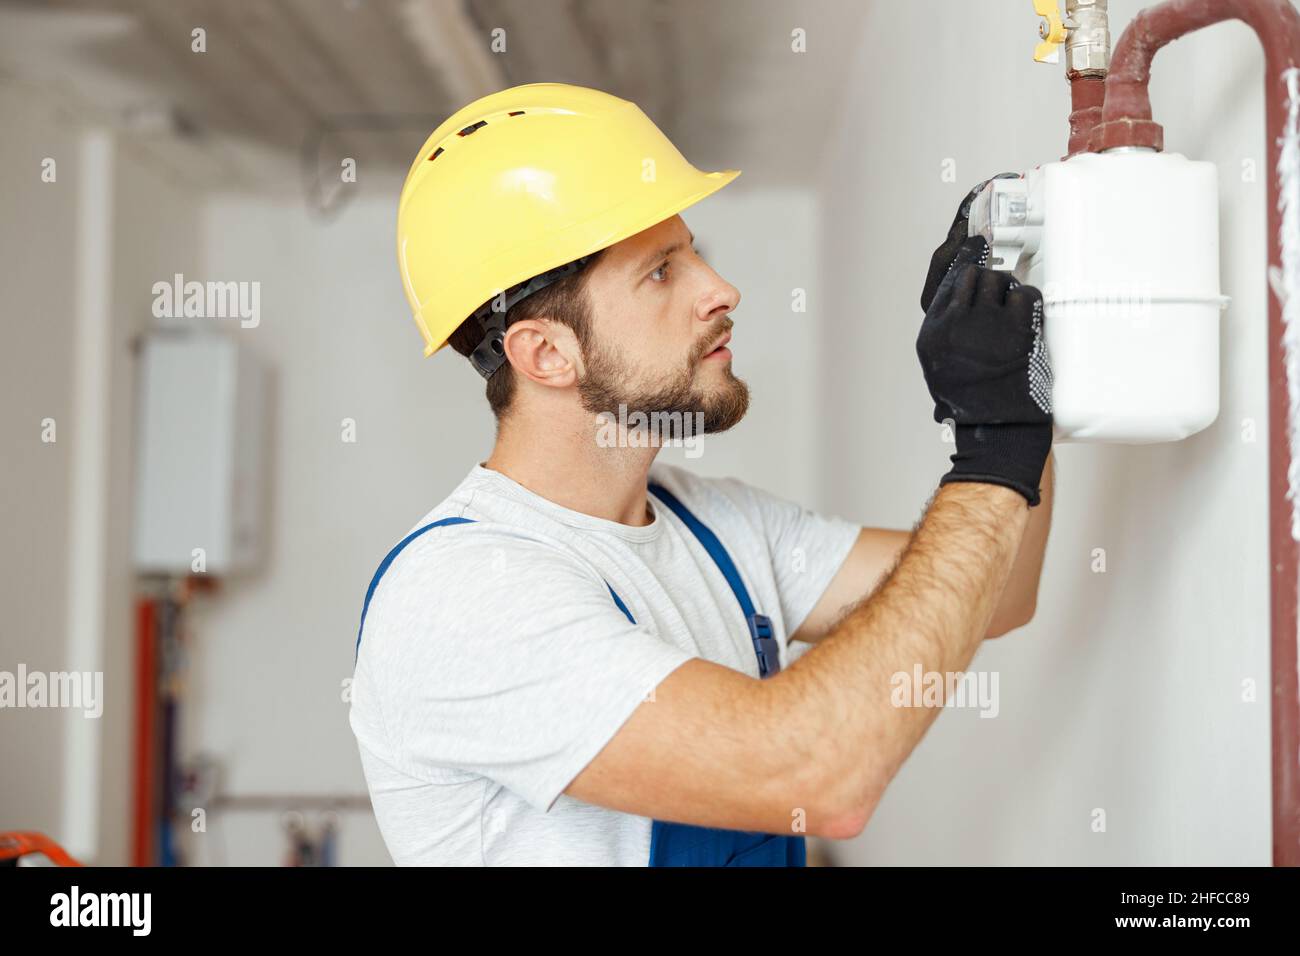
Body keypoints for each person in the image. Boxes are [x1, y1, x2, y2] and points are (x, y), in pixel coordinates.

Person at [349, 83, 1055, 866]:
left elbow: (1002, 589)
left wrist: (1016, 386)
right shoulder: (462, 593)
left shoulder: (714, 524)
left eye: (695, 254)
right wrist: (992, 445)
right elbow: (816, 775)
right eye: (660, 272)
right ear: (547, 353)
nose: (721, 292)